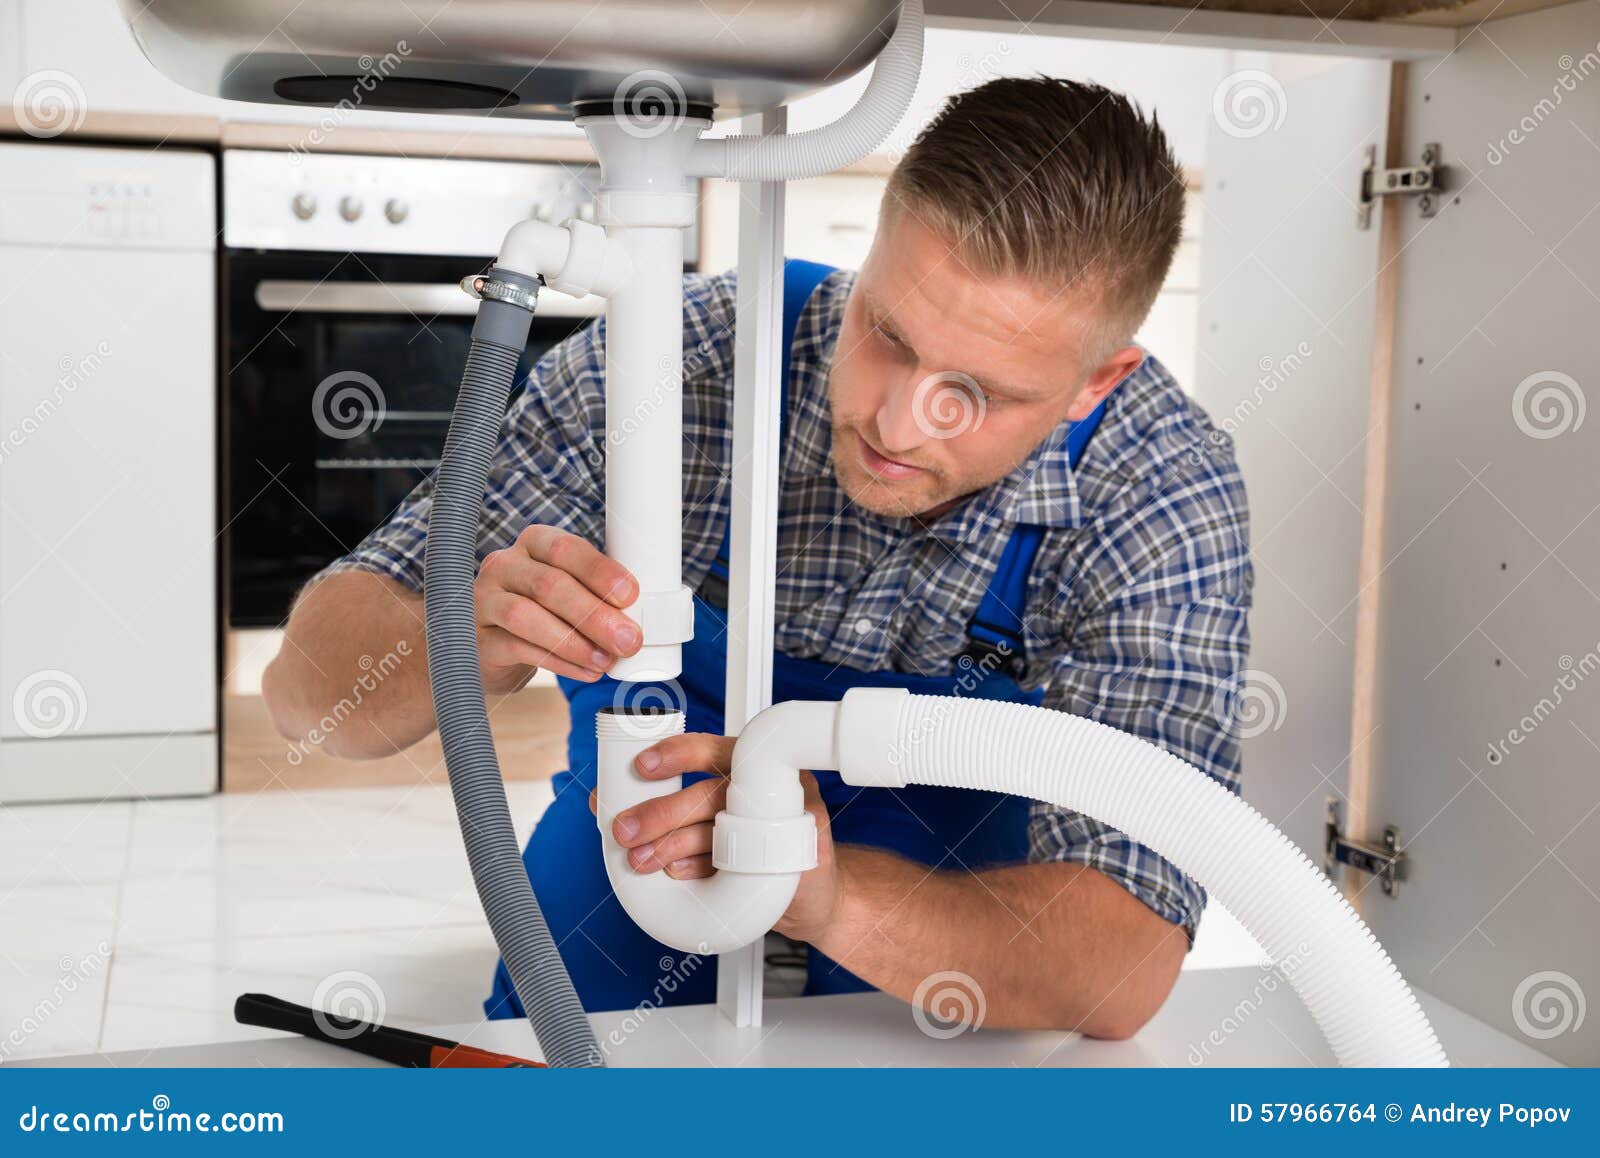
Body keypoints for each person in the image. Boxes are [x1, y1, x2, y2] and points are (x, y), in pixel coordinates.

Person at [263, 76, 1253, 1040]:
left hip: (947, 943)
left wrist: (821, 895)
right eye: (888, 333)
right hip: (632, 854)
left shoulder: (1158, 491)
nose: (899, 425)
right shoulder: (670, 363)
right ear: (867, 254)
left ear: (1095, 382)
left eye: (980, 392)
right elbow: (306, 704)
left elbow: (1121, 965)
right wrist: (459, 636)